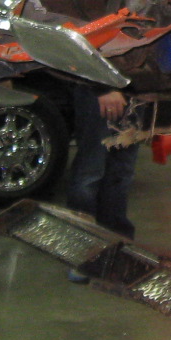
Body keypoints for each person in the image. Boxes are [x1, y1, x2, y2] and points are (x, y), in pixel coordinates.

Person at [65, 83, 139, 281]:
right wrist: (102, 89)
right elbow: (81, 52)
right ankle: (81, 254)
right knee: (90, 173)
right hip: (100, 93)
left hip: (133, 94)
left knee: (120, 174)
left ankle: (116, 253)